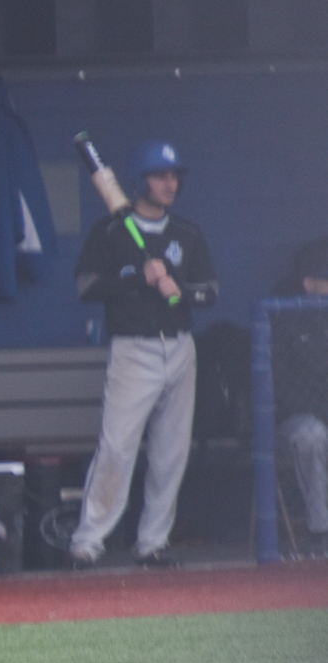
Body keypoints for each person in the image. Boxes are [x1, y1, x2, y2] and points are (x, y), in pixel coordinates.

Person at [69, 141, 218, 569]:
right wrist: (137, 277)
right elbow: (86, 286)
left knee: (171, 452)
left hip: (179, 345)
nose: (170, 184)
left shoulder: (187, 233)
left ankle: (153, 541)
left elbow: (210, 291)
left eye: (174, 177)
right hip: (133, 348)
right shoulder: (111, 232)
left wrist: (180, 290)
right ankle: (88, 540)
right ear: (139, 182)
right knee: (118, 447)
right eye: (160, 176)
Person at [272, 238, 328, 555]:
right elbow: (286, 393)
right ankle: (321, 533)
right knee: (312, 435)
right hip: (292, 423)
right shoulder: (285, 321)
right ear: (309, 283)